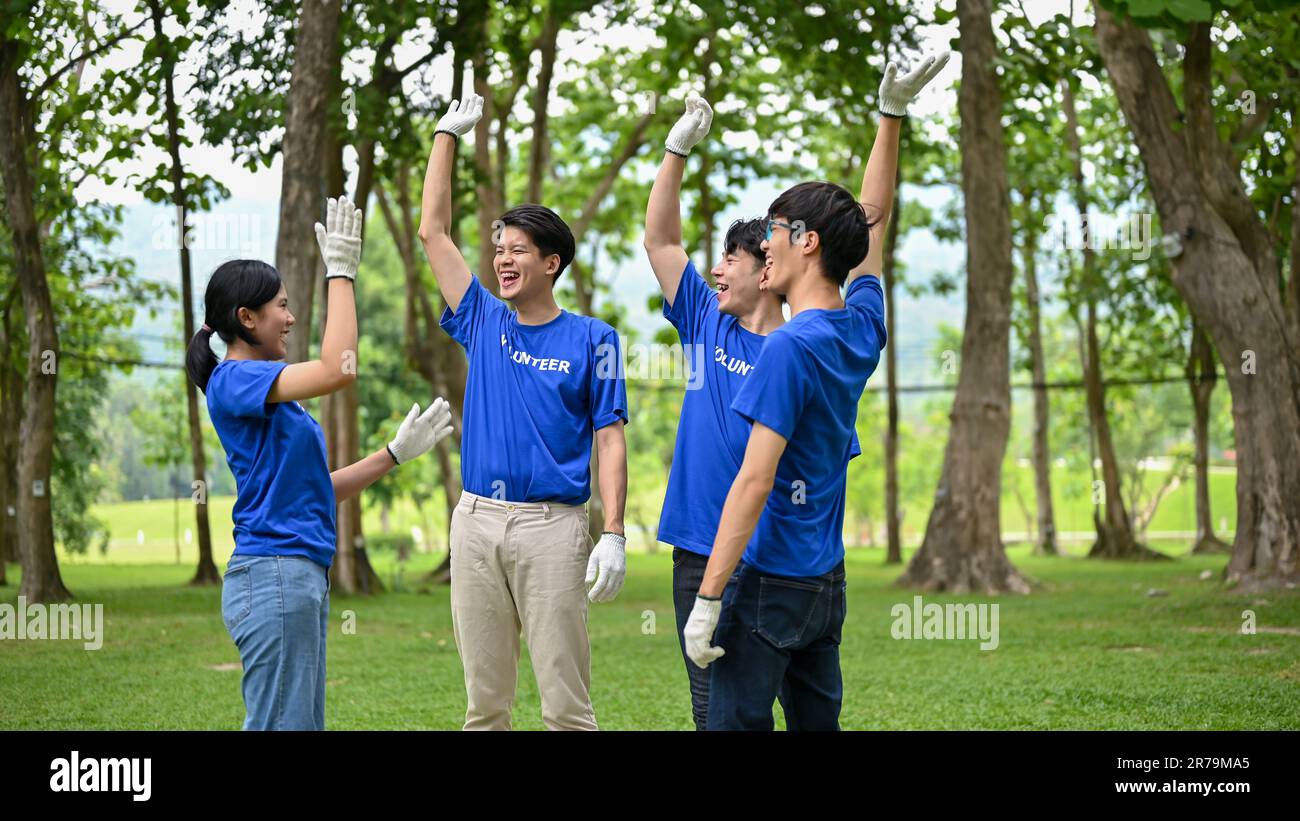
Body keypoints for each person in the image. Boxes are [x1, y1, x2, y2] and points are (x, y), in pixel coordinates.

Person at [682, 52, 950, 730]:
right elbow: (872, 226)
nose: (762, 246)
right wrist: (890, 117)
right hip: (824, 586)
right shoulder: (859, 327)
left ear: (804, 242)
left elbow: (754, 480)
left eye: (771, 233)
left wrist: (710, 596)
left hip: (769, 582)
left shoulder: (788, 348)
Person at [185, 196, 454, 730]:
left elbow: (313, 488)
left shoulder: (267, 392)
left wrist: (393, 455)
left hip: (294, 574)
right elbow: (339, 368)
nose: (289, 318)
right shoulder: (236, 380)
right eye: (280, 307)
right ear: (246, 318)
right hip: (275, 574)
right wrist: (341, 273)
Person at [643, 94, 861, 729]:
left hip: (769, 565)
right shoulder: (707, 320)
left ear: (768, 267)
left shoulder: (800, 354)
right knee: (715, 713)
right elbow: (660, 238)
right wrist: (675, 150)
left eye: (730, 260)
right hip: (699, 551)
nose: (713, 272)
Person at [418, 94, 630, 731]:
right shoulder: (483, 320)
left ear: (551, 262)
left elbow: (611, 439)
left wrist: (613, 532)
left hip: (554, 529)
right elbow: (432, 232)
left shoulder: (596, 338)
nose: (502, 261)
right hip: (476, 522)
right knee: (485, 707)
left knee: (565, 707)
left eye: (517, 251)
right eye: (499, 250)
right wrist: (445, 136)